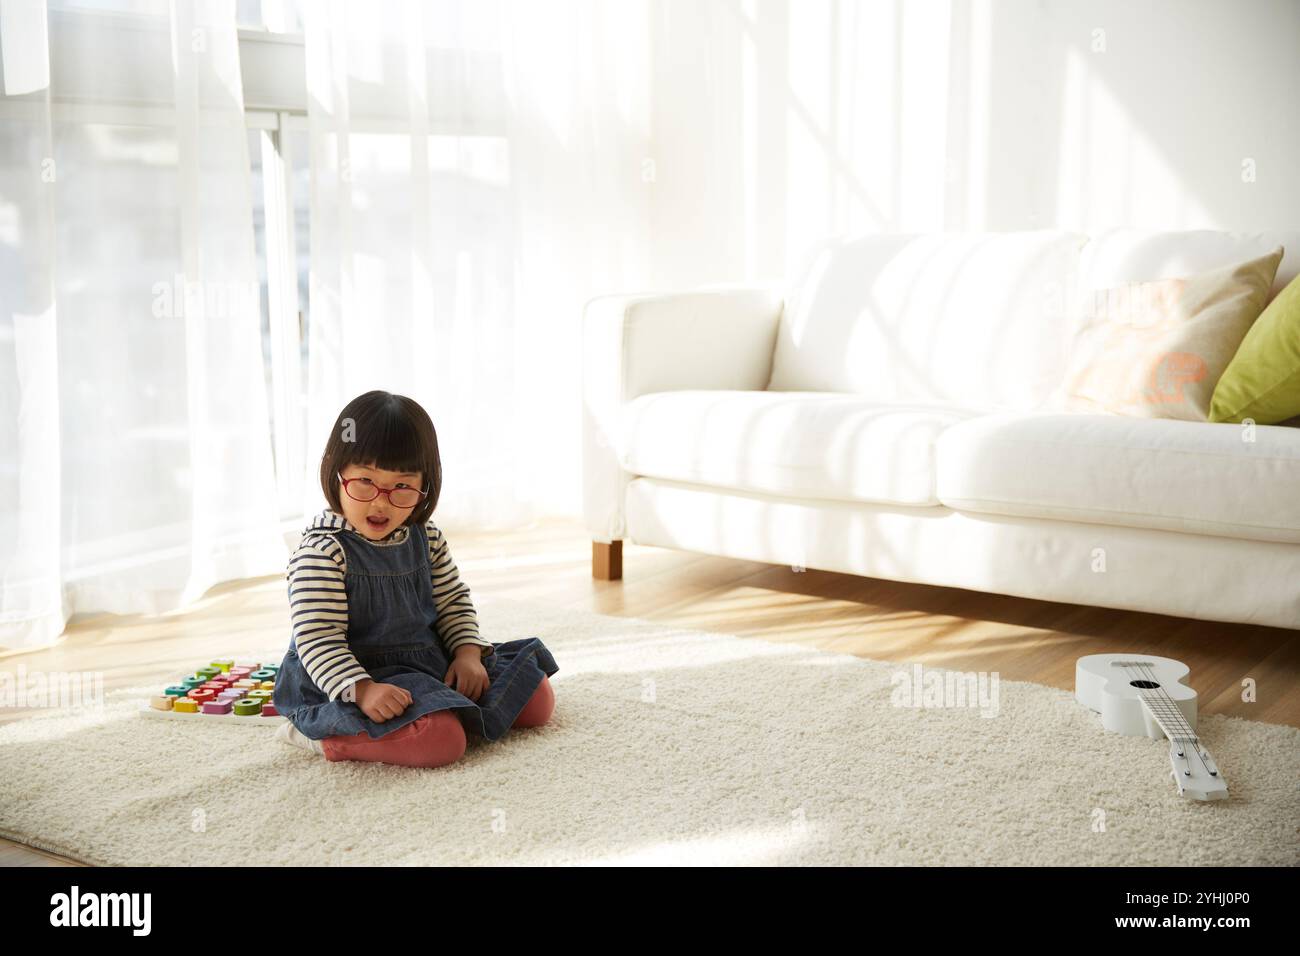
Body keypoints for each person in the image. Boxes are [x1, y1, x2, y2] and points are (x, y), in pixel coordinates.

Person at [272, 390, 558, 767]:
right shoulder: (322, 553)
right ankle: (327, 739)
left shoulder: (426, 536)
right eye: (364, 482)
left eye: (402, 487)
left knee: (536, 697)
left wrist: (468, 654)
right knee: (440, 743)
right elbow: (318, 639)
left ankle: (447, 709)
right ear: (336, 473)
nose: (380, 502)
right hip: (356, 680)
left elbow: (453, 600)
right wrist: (363, 690)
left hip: (426, 663)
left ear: (425, 485)